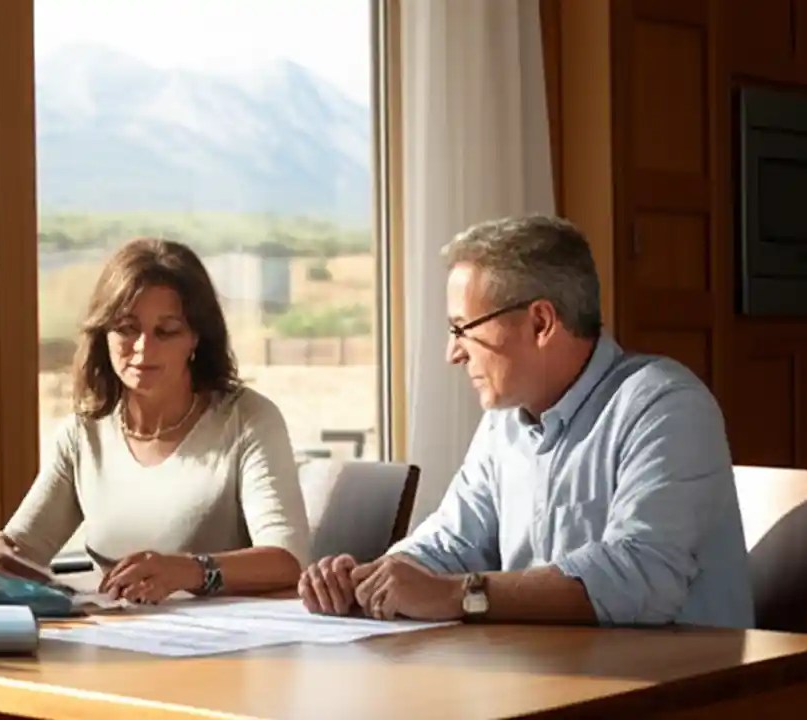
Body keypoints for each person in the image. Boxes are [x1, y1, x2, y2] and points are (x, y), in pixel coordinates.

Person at [300, 215, 753, 628]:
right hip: (558, 679)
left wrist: (462, 595)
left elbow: (641, 577)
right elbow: (451, 545)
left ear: (540, 322)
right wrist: (367, 582)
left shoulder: (664, 405)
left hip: (680, 694)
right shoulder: (505, 423)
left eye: (462, 328)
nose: (453, 352)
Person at [0, 238, 309, 603]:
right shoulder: (82, 434)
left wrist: (187, 571)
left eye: (166, 331)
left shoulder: (248, 420)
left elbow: (288, 562)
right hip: (112, 641)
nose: (142, 349)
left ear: (196, 339)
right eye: (126, 328)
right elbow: (18, 553)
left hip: (225, 648)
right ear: (102, 333)